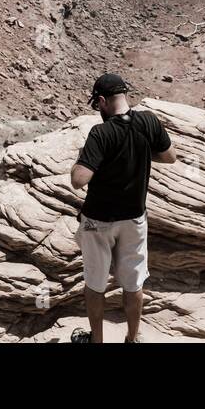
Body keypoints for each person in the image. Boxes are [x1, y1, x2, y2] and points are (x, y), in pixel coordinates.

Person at [69, 73, 176, 343]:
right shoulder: (149, 121)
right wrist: (137, 153)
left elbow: (78, 180)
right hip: (134, 219)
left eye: (97, 105)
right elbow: (170, 156)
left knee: (95, 284)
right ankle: (131, 338)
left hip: (98, 221)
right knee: (133, 283)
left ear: (103, 101)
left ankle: (97, 341)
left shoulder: (101, 133)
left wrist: (88, 160)